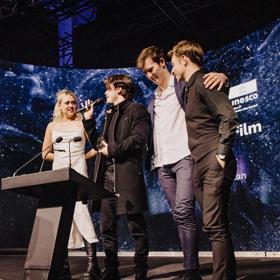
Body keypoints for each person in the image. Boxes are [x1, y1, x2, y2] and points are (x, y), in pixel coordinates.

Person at [136, 46, 228, 280]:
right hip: (162, 164)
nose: (149, 75)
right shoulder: (152, 100)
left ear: (162, 63)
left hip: (186, 157)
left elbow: (206, 87)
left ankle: (191, 270)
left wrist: (224, 77)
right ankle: (191, 267)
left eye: (151, 69)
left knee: (185, 210)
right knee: (179, 214)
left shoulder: (182, 86)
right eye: (145, 73)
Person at [168, 40, 238, 280]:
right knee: (216, 225)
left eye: (173, 63)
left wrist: (221, 153)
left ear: (184, 59)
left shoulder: (205, 81)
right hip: (199, 163)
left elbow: (228, 117)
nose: (172, 69)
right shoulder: (188, 87)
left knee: (213, 225)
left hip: (212, 161)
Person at [83, 74, 150, 280]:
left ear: (119, 89)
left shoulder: (137, 110)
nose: (105, 92)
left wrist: (112, 149)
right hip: (106, 180)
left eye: (109, 88)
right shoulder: (109, 114)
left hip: (126, 177)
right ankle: (111, 270)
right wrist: (89, 122)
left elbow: (139, 140)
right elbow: (99, 145)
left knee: (136, 228)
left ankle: (140, 271)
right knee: (107, 229)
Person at [42, 89, 101, 279]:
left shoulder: (81, 122)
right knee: (61, 219)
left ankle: (93, 265)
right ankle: (63, 266)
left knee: (82, 214)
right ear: (59, 105)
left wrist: (83, 157)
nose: (71, 106)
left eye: (73, 102)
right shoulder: (52, 126)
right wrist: (62, 157)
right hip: (59, 175)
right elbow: (45, 154)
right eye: (66, 102)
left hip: (79, 174)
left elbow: (96, 146)